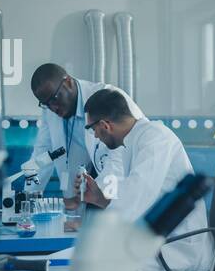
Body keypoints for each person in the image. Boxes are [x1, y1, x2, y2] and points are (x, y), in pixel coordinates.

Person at [75, 87, 214, 271]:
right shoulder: (134, 142)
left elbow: (138, 195)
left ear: (105, 125)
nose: (95, 136)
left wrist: (95, 229)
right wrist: (100, 199)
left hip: (177, 247)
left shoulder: (155, 137)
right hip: (160, 239)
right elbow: (137, 200)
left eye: (92, 129)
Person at [27, 63, 147, 202]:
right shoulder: (50, 109)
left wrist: (99, 195)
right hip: (83, 196)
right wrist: (28, 196)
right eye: (46, 104)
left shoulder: (107, 97)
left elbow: (118, 155)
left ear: (68, 82)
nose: (53, 108)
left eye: (54, 98)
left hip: (116, 192)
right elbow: (42, 153)